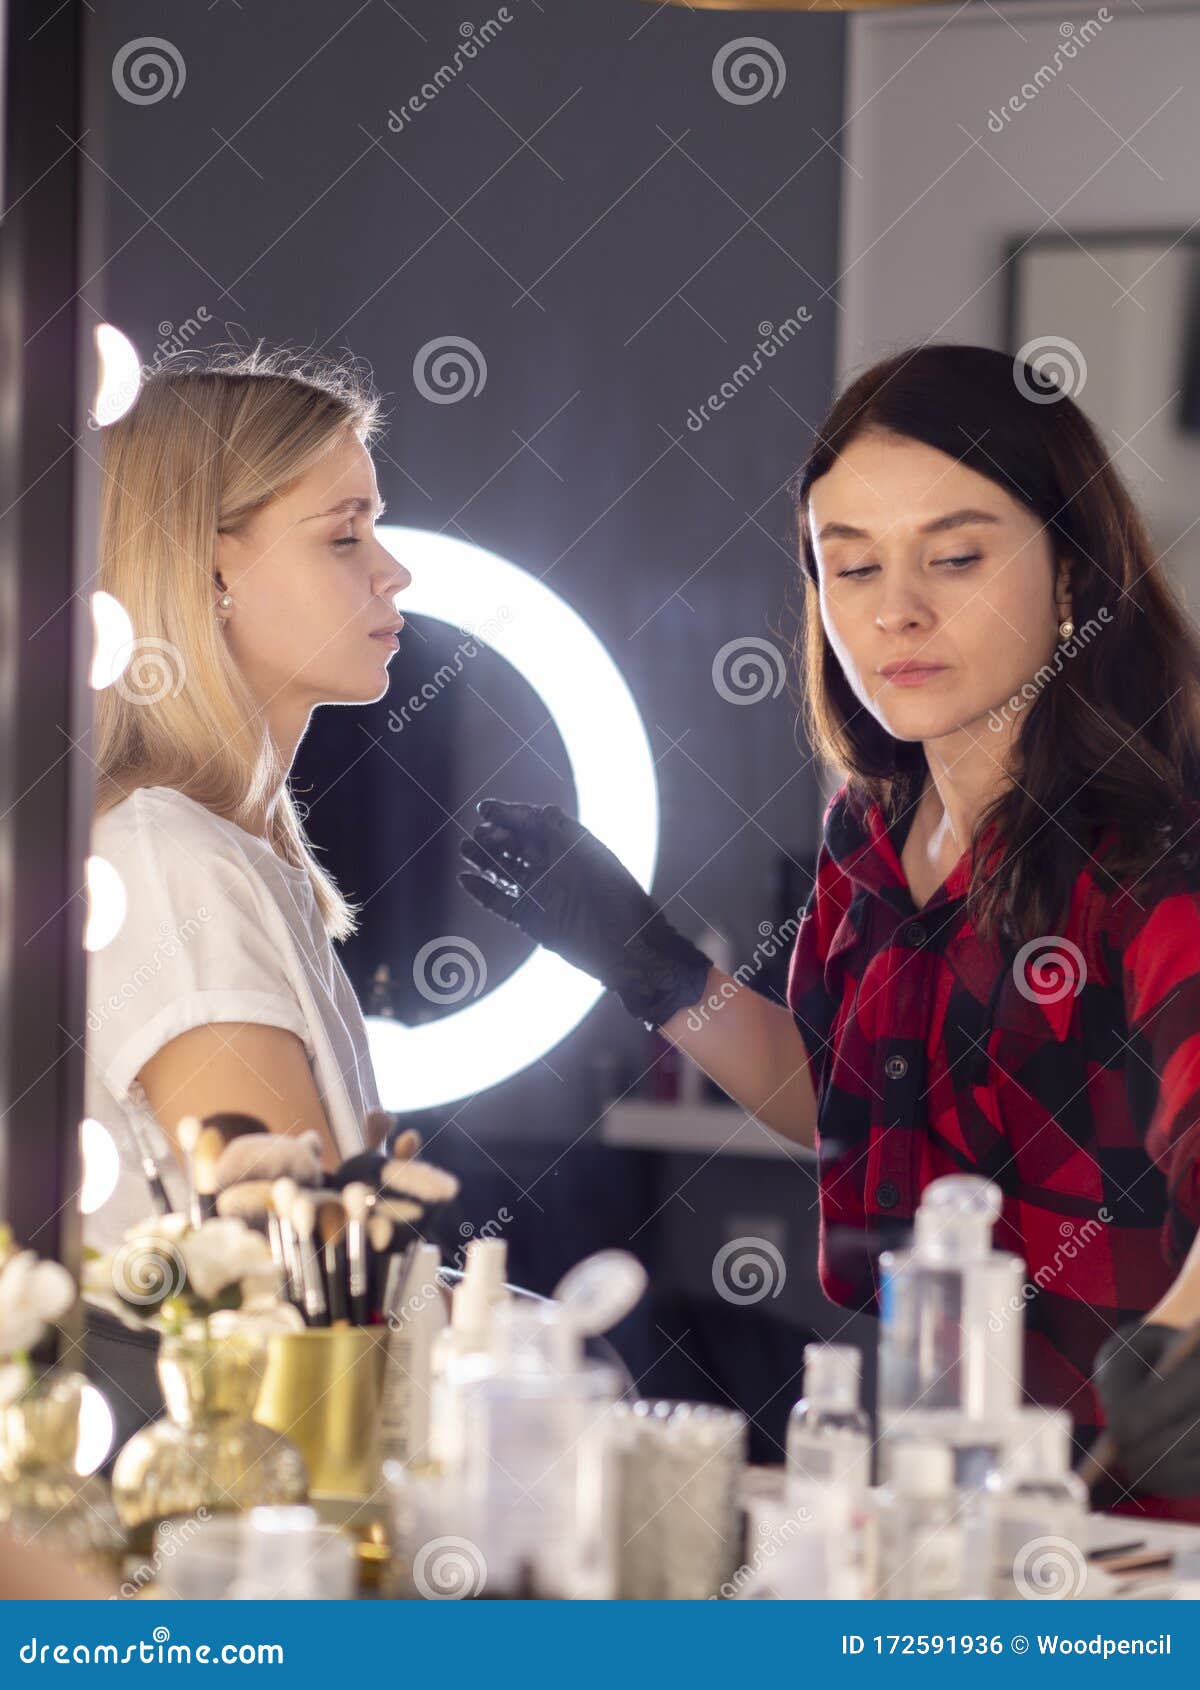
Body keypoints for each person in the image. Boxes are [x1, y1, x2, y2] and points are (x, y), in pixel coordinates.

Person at [460, 340, 1200, 1521]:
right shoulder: (873, 832)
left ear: (1075, 574)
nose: (896, 610)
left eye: (955, 557)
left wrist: (1181, 1358)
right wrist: (647, 965)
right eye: (848, 568)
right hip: (945, 1489)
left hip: (1146, 1533)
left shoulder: (1154, 849)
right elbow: (836, 1097)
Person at [85, 348, 408, 1257]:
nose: (394, 573)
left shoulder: (224, 858)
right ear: (208, 566)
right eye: (345, 536)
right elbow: (302, 1277)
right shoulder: (164, 866)